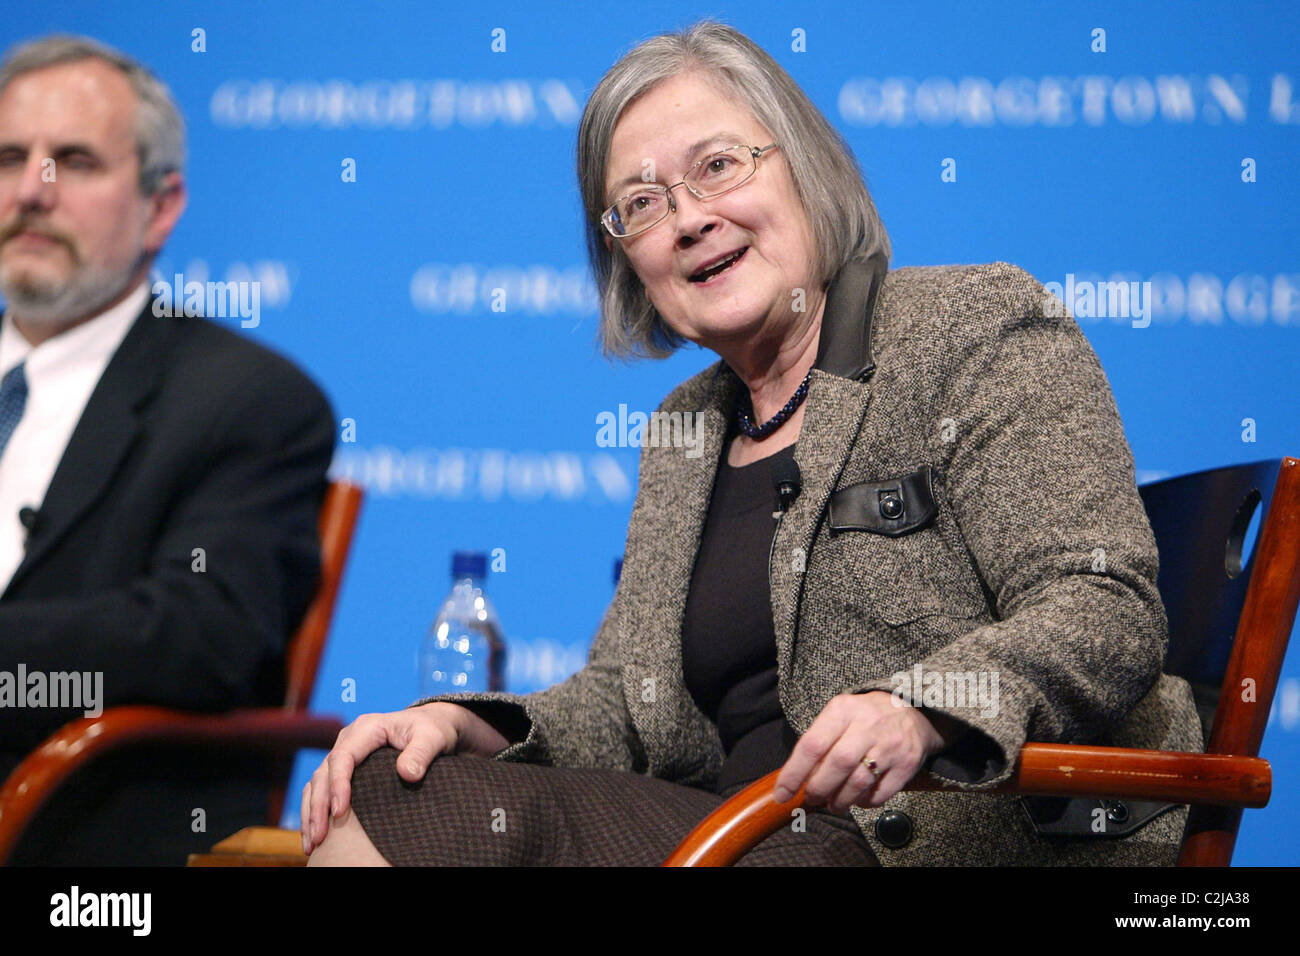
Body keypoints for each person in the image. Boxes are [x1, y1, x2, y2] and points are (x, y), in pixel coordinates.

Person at [302, 20, 1202, 867]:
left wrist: (922, 708)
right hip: (738, 832)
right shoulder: (685, 427)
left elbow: (1102, 605)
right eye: (642, 205)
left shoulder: (971, 327)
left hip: (912, 838)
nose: (689, 218)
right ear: (630, 265)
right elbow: (627, 703)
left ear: (805, 171)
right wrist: (471, 725)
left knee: (416, 814)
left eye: (719, 166)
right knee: (401, 778)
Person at [0, 35, 334, 865]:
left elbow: (203, 635)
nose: (30, 193)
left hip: (74, 821)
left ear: (160, 206)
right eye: (9, 157)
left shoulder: (246, 400)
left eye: (72, 161)